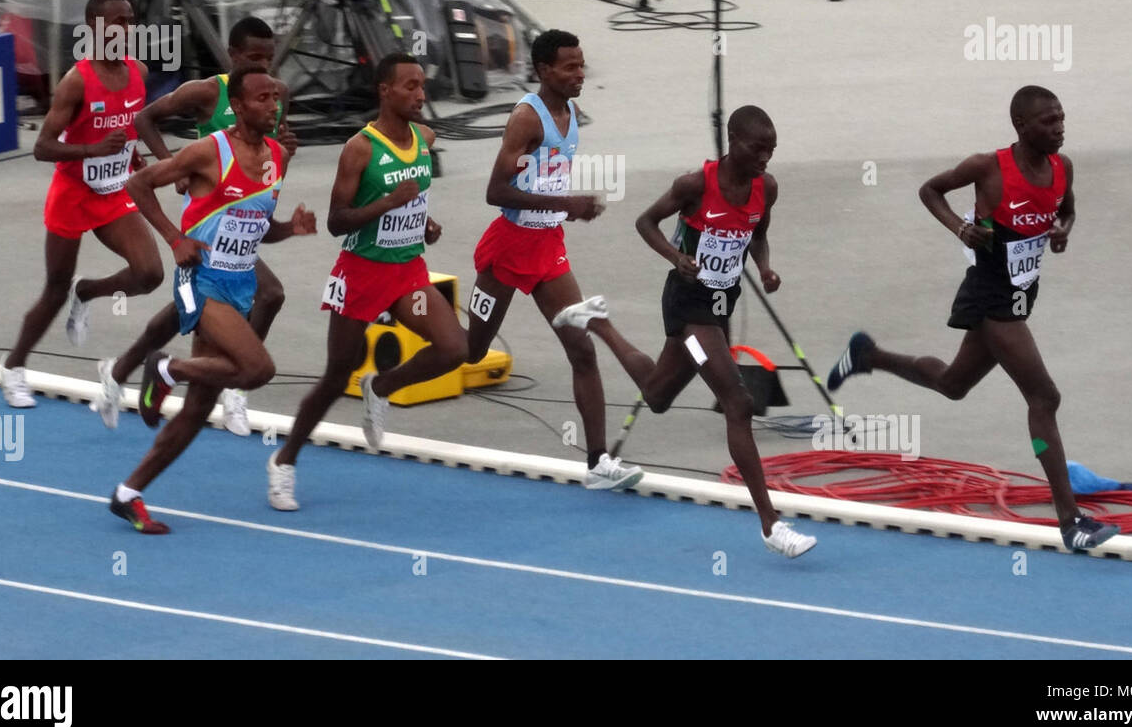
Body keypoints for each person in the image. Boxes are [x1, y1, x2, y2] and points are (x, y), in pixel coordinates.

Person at [824, 86, 1119, 553]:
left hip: (1021, 294)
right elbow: (930, 190)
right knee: (1044, 398)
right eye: (1047, 121)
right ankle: (1070, 519)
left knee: (953, 384)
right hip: (991, 296)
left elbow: (1068, 210)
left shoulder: (1063, 167)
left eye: (1061, 118)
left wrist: (1061, 231)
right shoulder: (988, 168)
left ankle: (869, 354)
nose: (1059, 127)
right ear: (1021, 126)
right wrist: (960, 227)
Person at [556, 106, 818, 559]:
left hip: (721, 302)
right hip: (687, 301)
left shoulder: (766, 188)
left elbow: (757, 233)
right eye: (758, 149)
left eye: (771, 150)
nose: (765, 159)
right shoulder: (695, 184)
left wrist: (766, 266)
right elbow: (645, 222)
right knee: (738, 402)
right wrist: (677, 258)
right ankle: (770, 524)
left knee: (657, 396)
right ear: (733, 140)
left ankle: (598, 321)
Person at [109, 63, 314, 534]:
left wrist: (290, 229)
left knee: (198, 411)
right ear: (237, 107)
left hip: (240, 283)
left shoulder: (277, 157)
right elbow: (138, 184)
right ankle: (166, 367)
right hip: (199, 279)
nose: (273, 106)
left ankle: (128, 493)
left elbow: (253, 227)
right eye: (262, 99)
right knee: (258, 369)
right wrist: (174, 238)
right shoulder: (208, 151)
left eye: (276, 98)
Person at [266, 53, 467, 512]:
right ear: (384, 90)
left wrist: (425, 223)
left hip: (406, 272)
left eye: (422, 86)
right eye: (410, 86)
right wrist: (391, 202)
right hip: (361, 273)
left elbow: (412, 203)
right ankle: (284, 460)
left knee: (455, 348)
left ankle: (381, 388)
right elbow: (339, 222)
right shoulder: (360, 147)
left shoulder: (425, 138)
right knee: (338, 374)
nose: (420, 95)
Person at [95, 17, 297, 434]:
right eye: (253, 57)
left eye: (269, 58)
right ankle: (228, 384)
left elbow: (268, 150)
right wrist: (170, 165)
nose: (262, 65)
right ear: (233, 55)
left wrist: (286, 151)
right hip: (205, 218)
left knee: (180, 314)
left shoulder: (275, 94)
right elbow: (146, 118)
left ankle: (122, 373)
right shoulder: (207, 91)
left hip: (242, 216)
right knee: (268, 293)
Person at [462, 29, 643, 491]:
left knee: (581, 349)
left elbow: (545, 181)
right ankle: (382, 384)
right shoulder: (526, 118)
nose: (580, 74)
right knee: (470, 351)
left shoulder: (572, 112)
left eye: (582, 65)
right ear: (544, 71)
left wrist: (563, 208)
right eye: (570, 67)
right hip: (509, 247)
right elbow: (495, 192)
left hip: (547, 247)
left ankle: (599, 462)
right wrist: (569, 204)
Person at [1, 0, 163, 408]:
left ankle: (87, 291)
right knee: (53, 289)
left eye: (130, 20)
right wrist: (92, 151)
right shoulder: (76, 81)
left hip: (113, 190)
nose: (127, 29)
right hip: (73, 193)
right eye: (118, 22)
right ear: (95, 28)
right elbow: (41, 147)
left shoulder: (138, 71)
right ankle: (14, 366)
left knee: (149, 274)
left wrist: (135, 155)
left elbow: (128, 126)